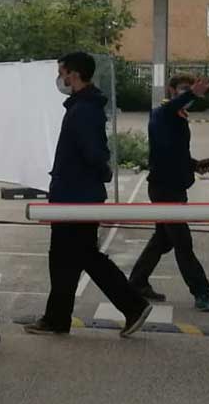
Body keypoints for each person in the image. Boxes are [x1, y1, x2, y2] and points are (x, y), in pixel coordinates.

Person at [24, 52, 151, 338]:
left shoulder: (83, 110)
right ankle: (57, 318)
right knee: (64, 258)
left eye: (62, 73)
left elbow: (94, 153)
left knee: (82, 255)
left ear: (74, 74)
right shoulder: (83, 106)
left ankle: (133, 305)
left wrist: (99, 173)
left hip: (76, 197)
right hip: (73, 194)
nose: (60, 79)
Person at [128, 73, 209, 312]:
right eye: (183, 89)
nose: (188, 93)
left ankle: (137, 282)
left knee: (163, 239)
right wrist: (192, 93)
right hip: (163, 189)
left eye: (190, 89)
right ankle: (201, 291)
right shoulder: (162, 113)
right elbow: (172, 110)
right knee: (182, 242)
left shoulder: (178, 116)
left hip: (174, 187)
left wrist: (195, 165)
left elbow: (174, 154)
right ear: (171, 90)